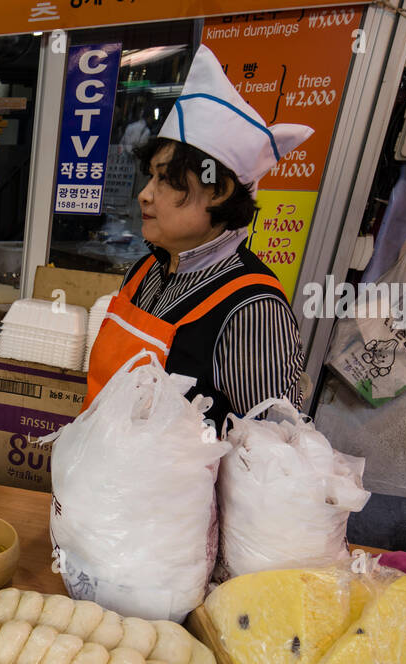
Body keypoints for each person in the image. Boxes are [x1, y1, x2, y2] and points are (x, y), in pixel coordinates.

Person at [84, 45, 313, 426]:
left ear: (219, 191)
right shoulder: (146, 270)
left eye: (166, 181)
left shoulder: (252, 309)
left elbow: (275, 444)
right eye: (151, 176)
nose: (145, 193)